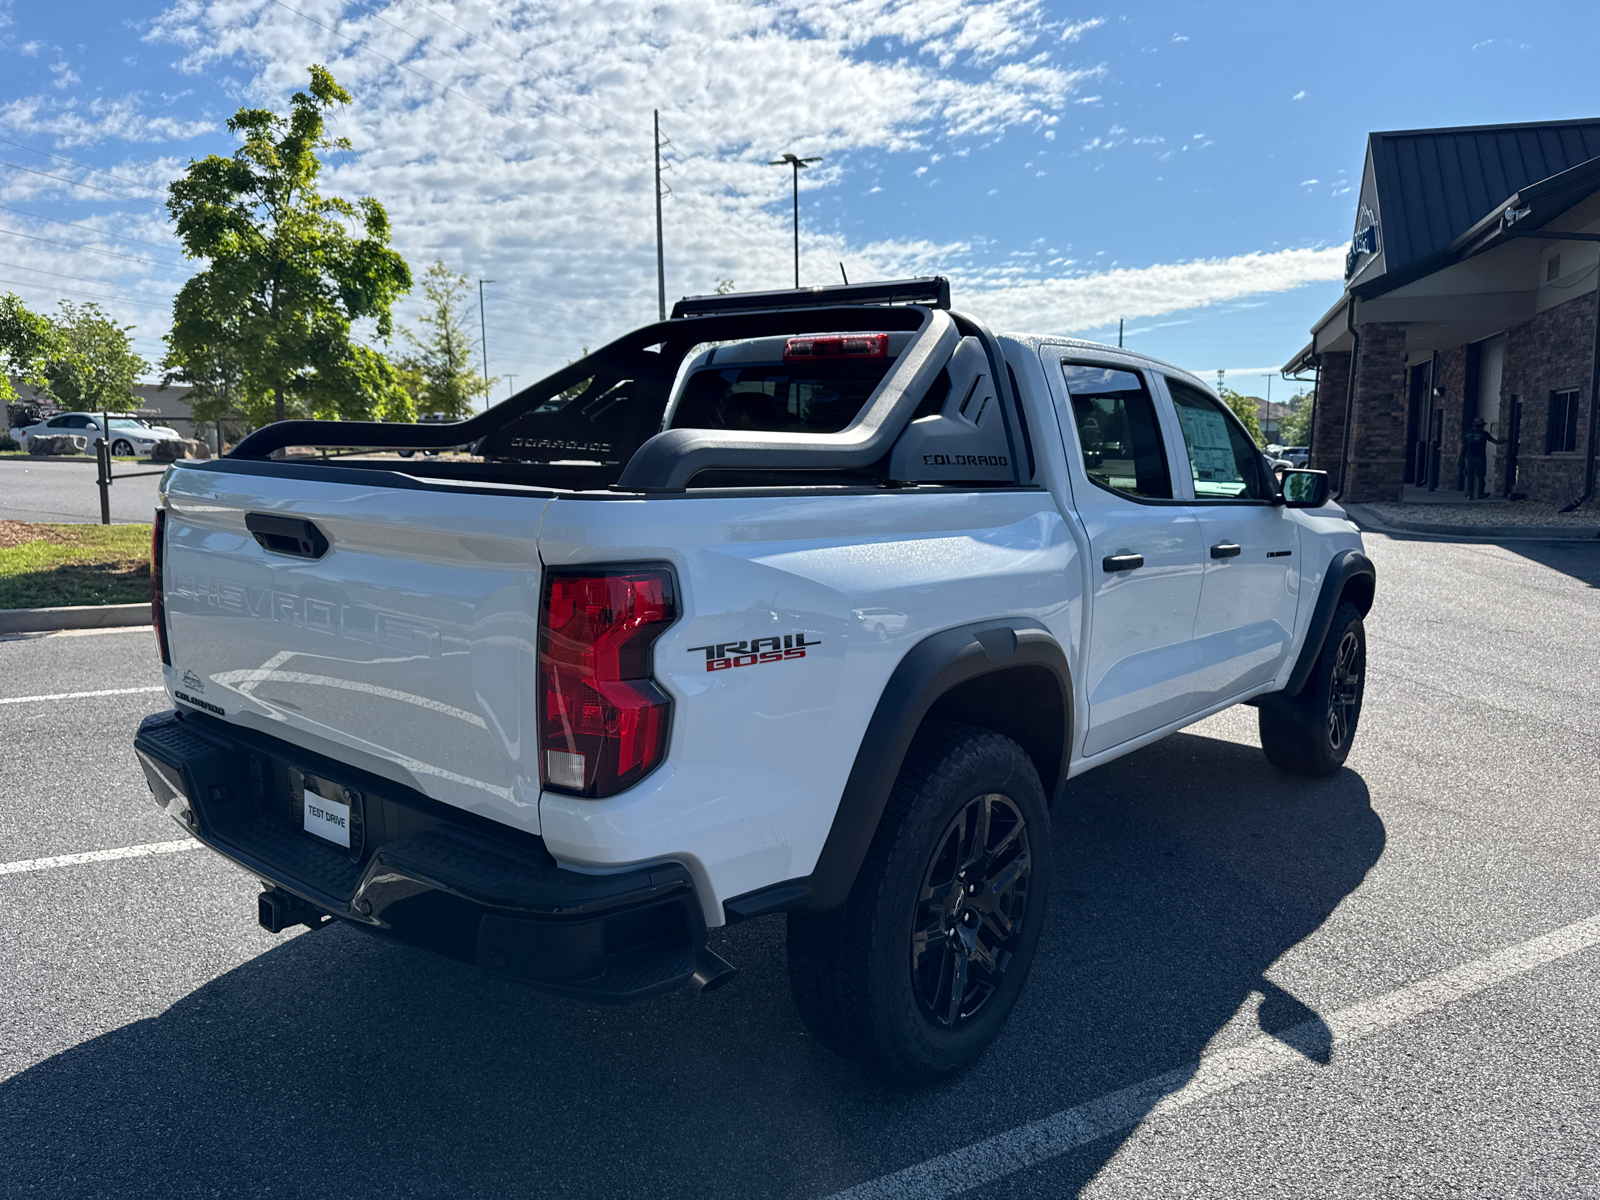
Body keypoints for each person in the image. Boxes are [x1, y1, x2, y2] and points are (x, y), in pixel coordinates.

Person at [1461, 417, 1503, 500]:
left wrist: (1459, 458)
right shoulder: (1484, 434)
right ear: (1481, 426)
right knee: (1481, 476)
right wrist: (1504, 441)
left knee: (1469, 476)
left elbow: (1461, 447)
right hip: (1480, 458)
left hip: (1469, 458)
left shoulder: (1467, 434)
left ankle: (1469, 494)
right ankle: (1480, 493)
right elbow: (1495, 441)